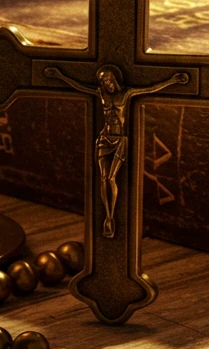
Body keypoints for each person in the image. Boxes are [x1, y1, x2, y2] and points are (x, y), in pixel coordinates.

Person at [43, 63, 188, 237]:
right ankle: (109, 217)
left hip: (120, 140)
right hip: (104, 139)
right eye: (104, 82)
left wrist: (172, 81)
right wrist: (59, 76)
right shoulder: (101, 94)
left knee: (112, 177)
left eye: (109, 80)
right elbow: (78, 86)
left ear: (115, 80)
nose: (107, 84)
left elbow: (151, 88)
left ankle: (111, 216)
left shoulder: (125, 94)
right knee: (103, 178)